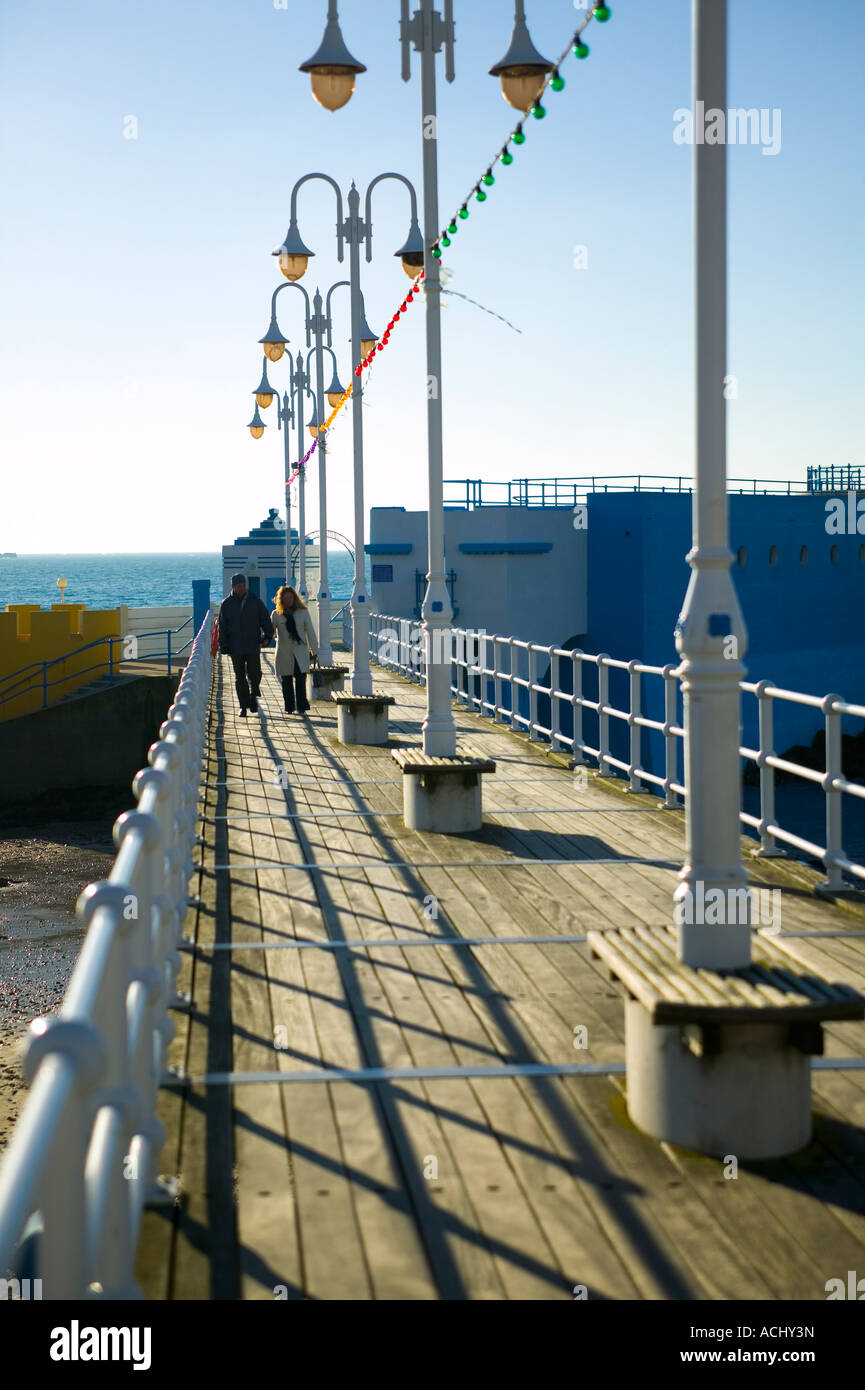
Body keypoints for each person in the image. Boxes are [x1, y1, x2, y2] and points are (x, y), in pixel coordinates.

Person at [218, 574, 273, 718]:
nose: (240, 588)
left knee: (255, 673)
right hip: (235, 646)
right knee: (240, 677)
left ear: (245, 585)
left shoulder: (255, 602)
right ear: (233, 587)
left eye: (242, 585)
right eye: (237, 586)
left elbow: (265, 619)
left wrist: (268, 636)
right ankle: (243, 706)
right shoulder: (226, 604)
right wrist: (223, 644)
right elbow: (222, 626)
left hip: (253, 644)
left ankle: (254, 693)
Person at [272, 584, 318, 715]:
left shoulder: (303, 612)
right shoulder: (276, 615)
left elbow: (310, 632)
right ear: (281, 599)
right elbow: (270, 631)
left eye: (290, 597)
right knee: (286, 680)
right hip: (284, 652)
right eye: (285, 598)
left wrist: (315, 651)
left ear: (294, 598)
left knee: (300, 678)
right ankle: (289, 707)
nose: (288, 600)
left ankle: (302, 706)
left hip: (300, 650)